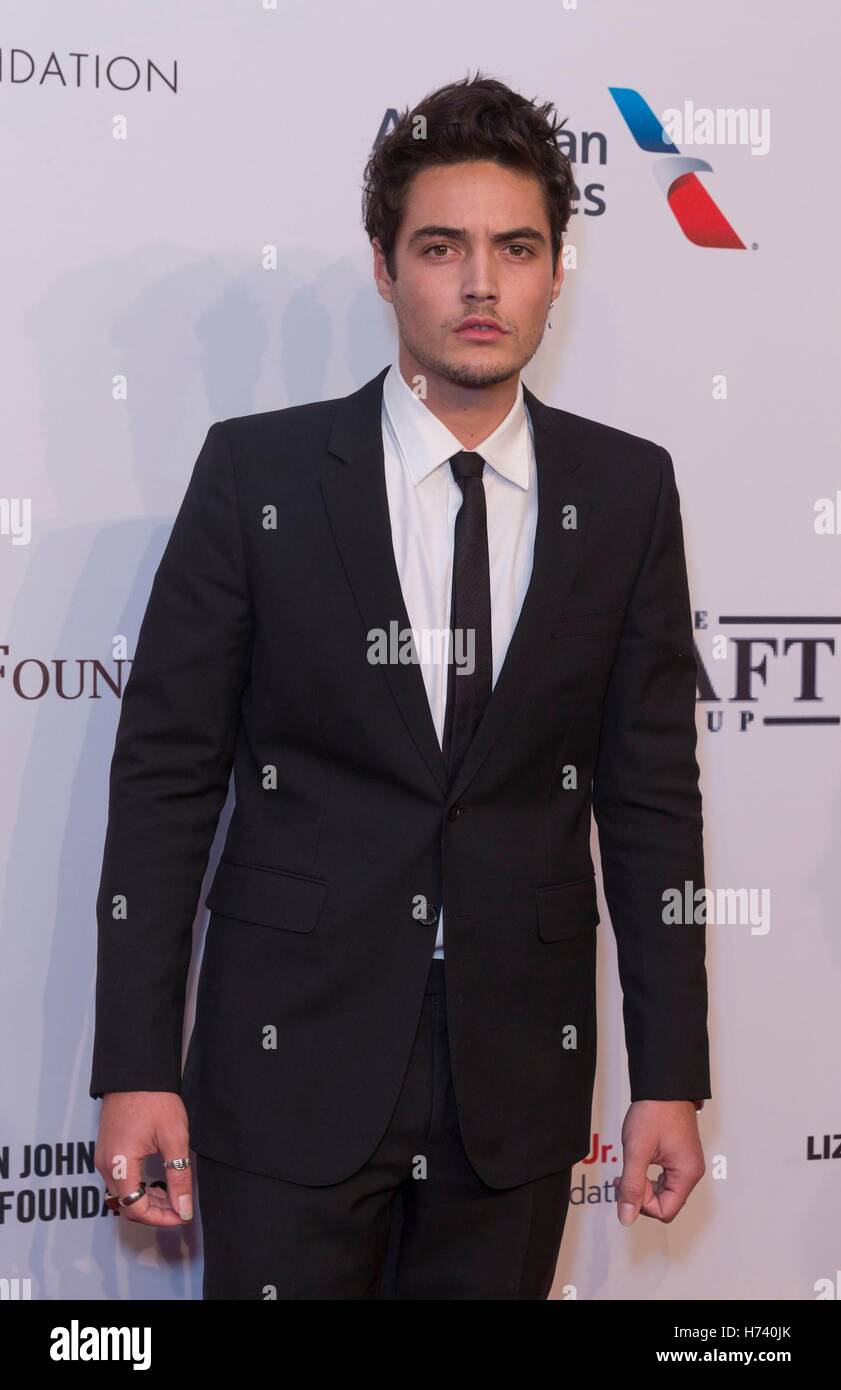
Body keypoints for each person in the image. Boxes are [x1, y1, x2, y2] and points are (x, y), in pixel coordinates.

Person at [91, 70, 710, 1300]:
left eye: (515, 248)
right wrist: (134, 1064)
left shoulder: (628, 490)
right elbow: (165, 780)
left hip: (519, 1087)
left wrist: (670, 1076)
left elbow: (650, 802)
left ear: (553, 270)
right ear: (384, 265)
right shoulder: (255, 475)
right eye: (442, 246)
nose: (481, 283)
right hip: (288, 1069)